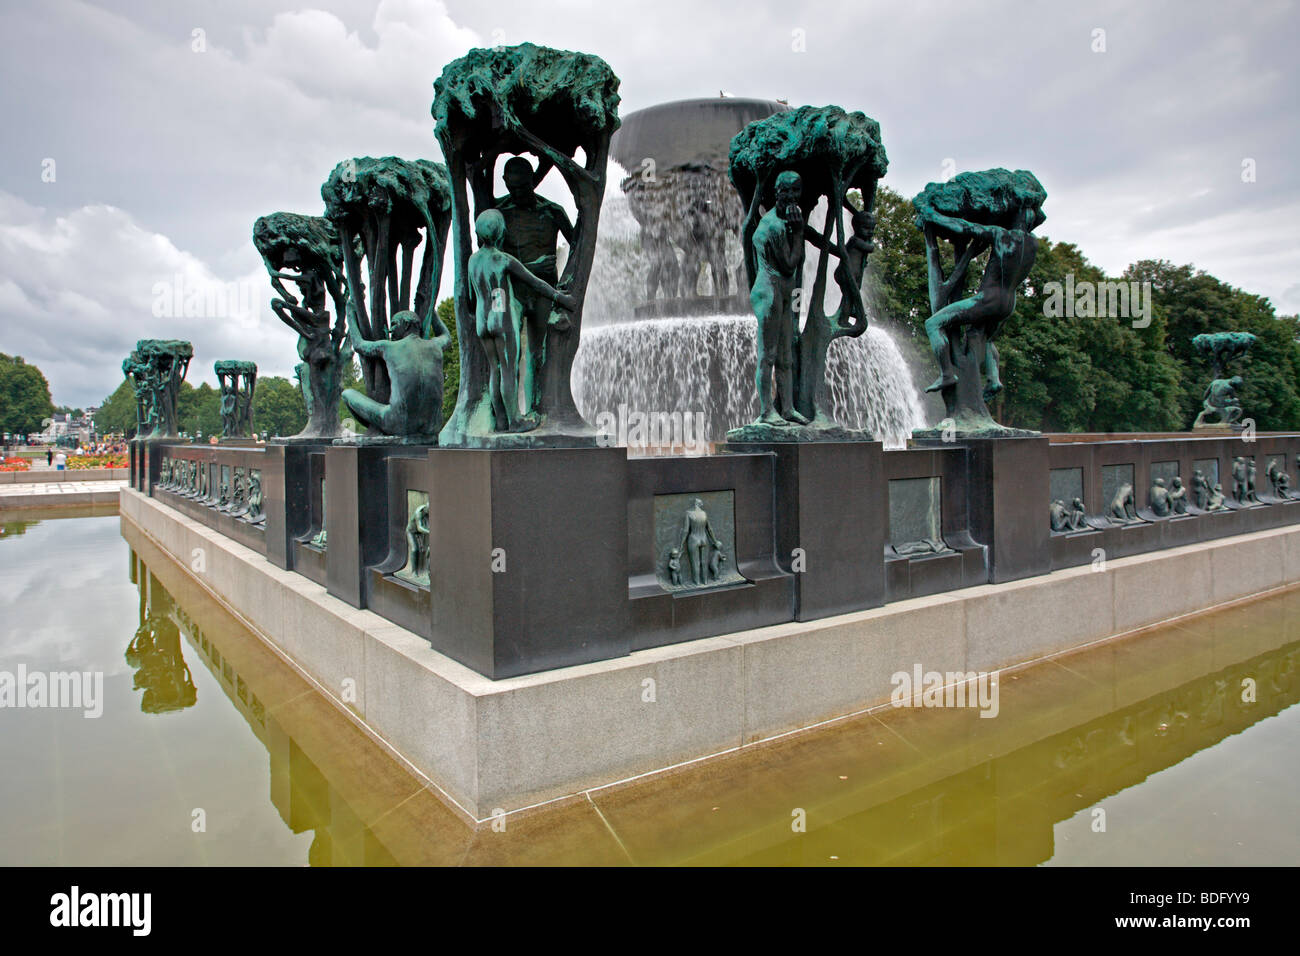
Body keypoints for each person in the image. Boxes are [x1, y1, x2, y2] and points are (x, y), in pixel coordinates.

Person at [467, 209, 576, 432]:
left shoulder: (472, 261)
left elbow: (470, 296)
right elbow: (536, 283)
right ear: (499, 232)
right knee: (508, 370)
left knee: (495, 370)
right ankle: (515, 419)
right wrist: (561, 298)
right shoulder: (503, 259)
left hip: (482, 321)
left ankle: (500, 421)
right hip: (501, 318)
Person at [489, 156, 575, 415]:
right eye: (512, 188)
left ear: (532, 181)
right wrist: (531, 267)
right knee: (509, 357)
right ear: (504, 182)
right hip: (511, 292)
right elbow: (491, 258)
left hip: (543, 292)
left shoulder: (553, 212)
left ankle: (538, 410)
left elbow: (579, 245)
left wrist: (567, 281)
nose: (517, 193)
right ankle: (509, 416)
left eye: (523, 187)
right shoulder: (498, 214)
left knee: (540, 354)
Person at [749, 170, 810, 426]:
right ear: (777, 193)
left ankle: (787, 408)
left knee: (786, 356)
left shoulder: (790, 219)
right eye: (786, 191)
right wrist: (798, 233)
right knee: (768, 355)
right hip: (769, 292)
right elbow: (788, 264)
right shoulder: (772, 225)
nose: (792, 196)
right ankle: (766, 412)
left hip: (784, 292)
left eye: (796, 190)